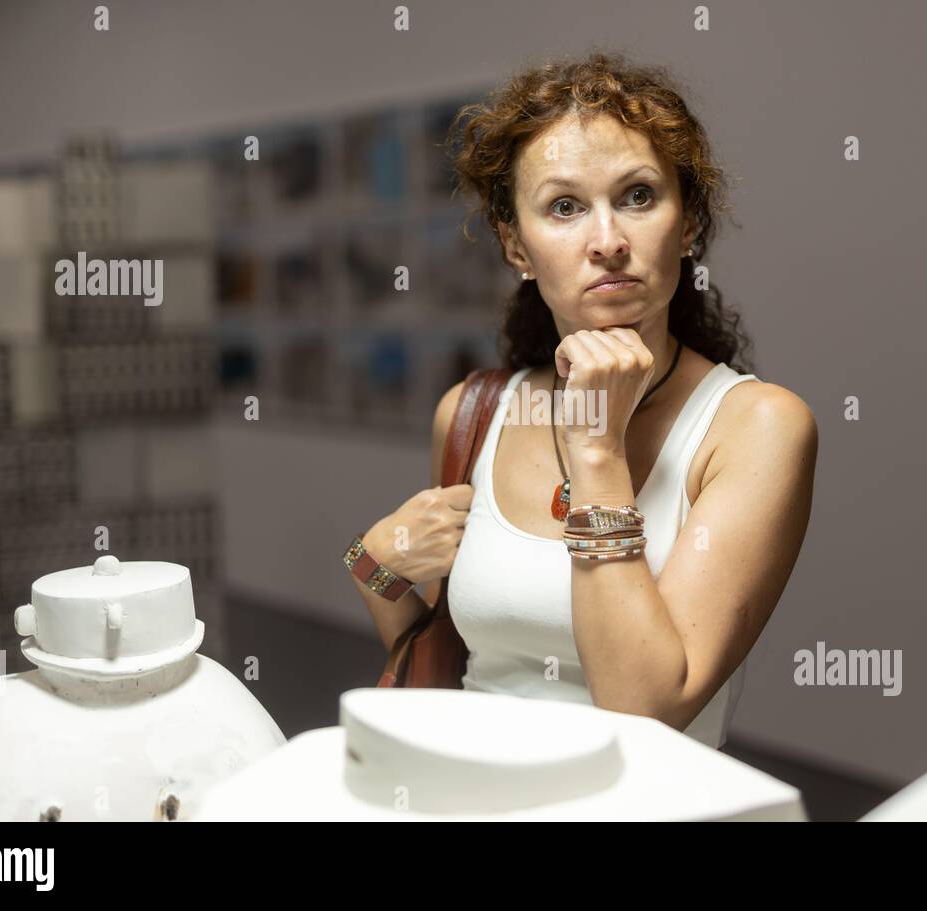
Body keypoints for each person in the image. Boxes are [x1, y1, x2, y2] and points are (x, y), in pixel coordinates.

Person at [347, 51, 818, 750]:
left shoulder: (758, 428)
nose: (608, 242)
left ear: (687, 225)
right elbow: (439, 652)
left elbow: (646, 707)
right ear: (517, 246)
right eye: (564, 207)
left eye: (637, 195)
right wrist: (375, 568)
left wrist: (596, 447)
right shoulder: (475, 412)